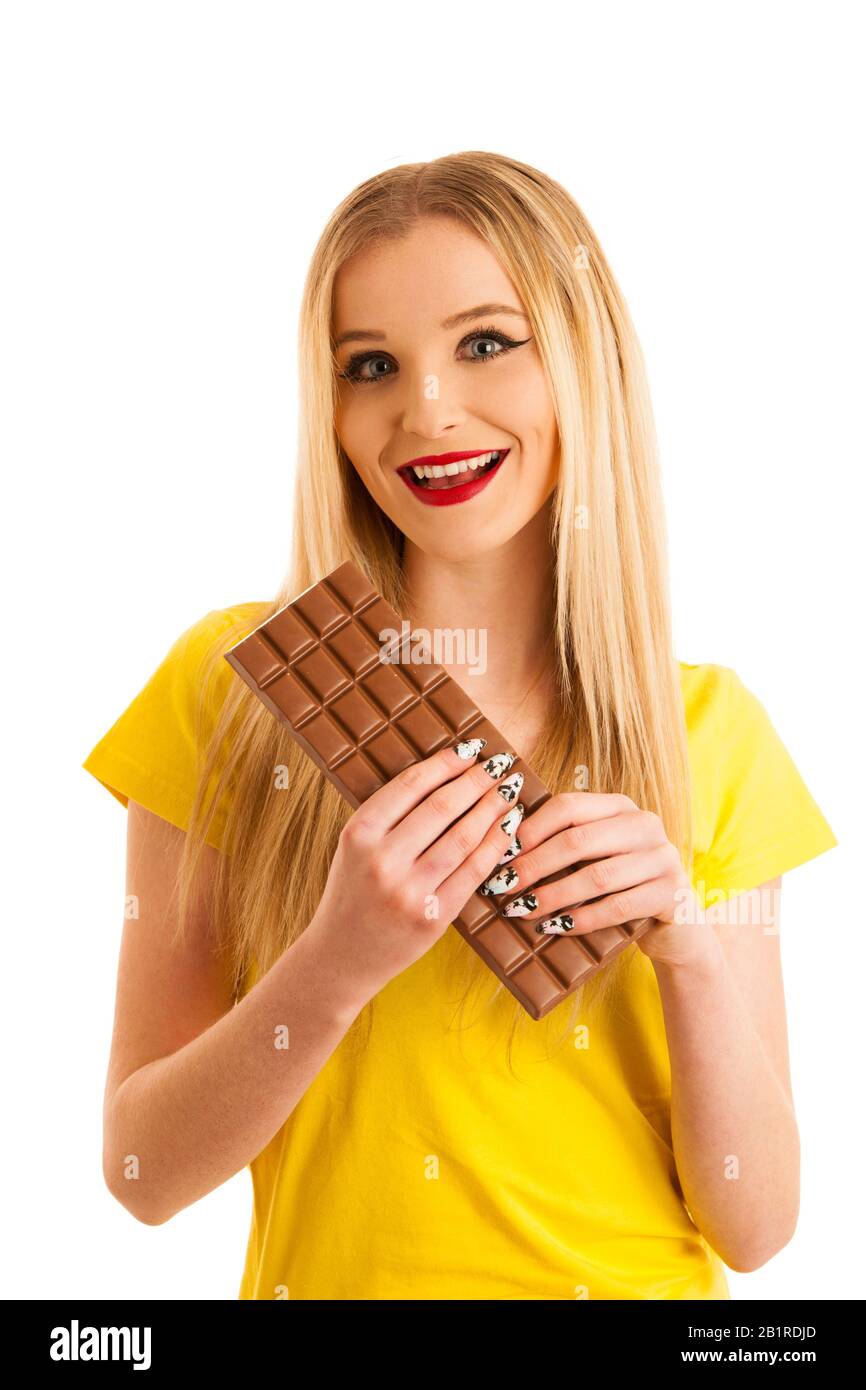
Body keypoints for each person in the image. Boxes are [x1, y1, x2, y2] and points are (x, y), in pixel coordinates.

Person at [82, 151, 837, 1301]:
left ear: (582, 361)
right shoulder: (233, 690)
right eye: (368, 365)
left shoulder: (708, 728)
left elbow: (758, 1224)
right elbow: (141, 1173)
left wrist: (682, 944)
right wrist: (336, 959)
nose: (425, 407)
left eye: (485, 342)